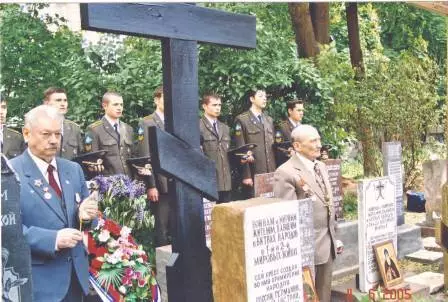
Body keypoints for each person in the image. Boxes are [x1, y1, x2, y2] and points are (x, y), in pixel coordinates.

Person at [10, 105, 98, 302]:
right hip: (38, 283)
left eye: (58, 134)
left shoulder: (73, 169)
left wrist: (83, 216)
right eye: (46, 134)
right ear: (26, 133)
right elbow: (6, 231)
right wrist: (52, 240)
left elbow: (87, 223)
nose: (53, 140)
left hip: (76, 280)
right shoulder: (9, 174)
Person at [273, 124, 342, 302]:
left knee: (324, 290)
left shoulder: (320, 166)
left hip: (327, 242)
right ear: (297, 146)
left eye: (319, 139)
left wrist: (336, 235)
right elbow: (287, 217)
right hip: (307, 247)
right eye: (313, 141)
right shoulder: (285, 173)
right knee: (308, 295)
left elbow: (329, 203)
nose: (319, 144)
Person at [135, 86, 170, 246]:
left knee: (178, 227)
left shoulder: (175, 120)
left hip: (176, 182)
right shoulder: (146, 122)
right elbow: (145, 155)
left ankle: (179, 267)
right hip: (159, 183)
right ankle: (164, 268)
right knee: (161, 228)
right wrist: (151, 185)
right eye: (164, 97)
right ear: (156, 100)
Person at [233, 89, 276, 197]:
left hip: (271, 173)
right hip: (254, 172)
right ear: (252, 99)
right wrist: (246, 175)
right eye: (261, 96)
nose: (264, 98)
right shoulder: (242, 120)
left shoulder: (268, 120)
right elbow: (241, 149)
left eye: (265, 96)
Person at [85, 92, 134, 176]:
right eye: (115, 104)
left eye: (121, 105)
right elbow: (92, 162)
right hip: (107, 184)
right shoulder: (94, 129)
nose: (119, 108)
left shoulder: (128, 129)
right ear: (105, 106)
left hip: (129, 183)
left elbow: (133, 157)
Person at [199, 94, 232, 203]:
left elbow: (229, 154)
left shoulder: (224, 128)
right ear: (204, 106)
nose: (218, 108)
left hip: (225, 182)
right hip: (208, 182)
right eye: (214, 105)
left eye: (219, 105)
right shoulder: (198, 126)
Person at [43, 87, 83, 160]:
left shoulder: (74, 128)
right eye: (58, 100)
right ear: (47, 103)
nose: (63, 104)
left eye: (65, 100)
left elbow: (81, 156)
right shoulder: (38, 126)